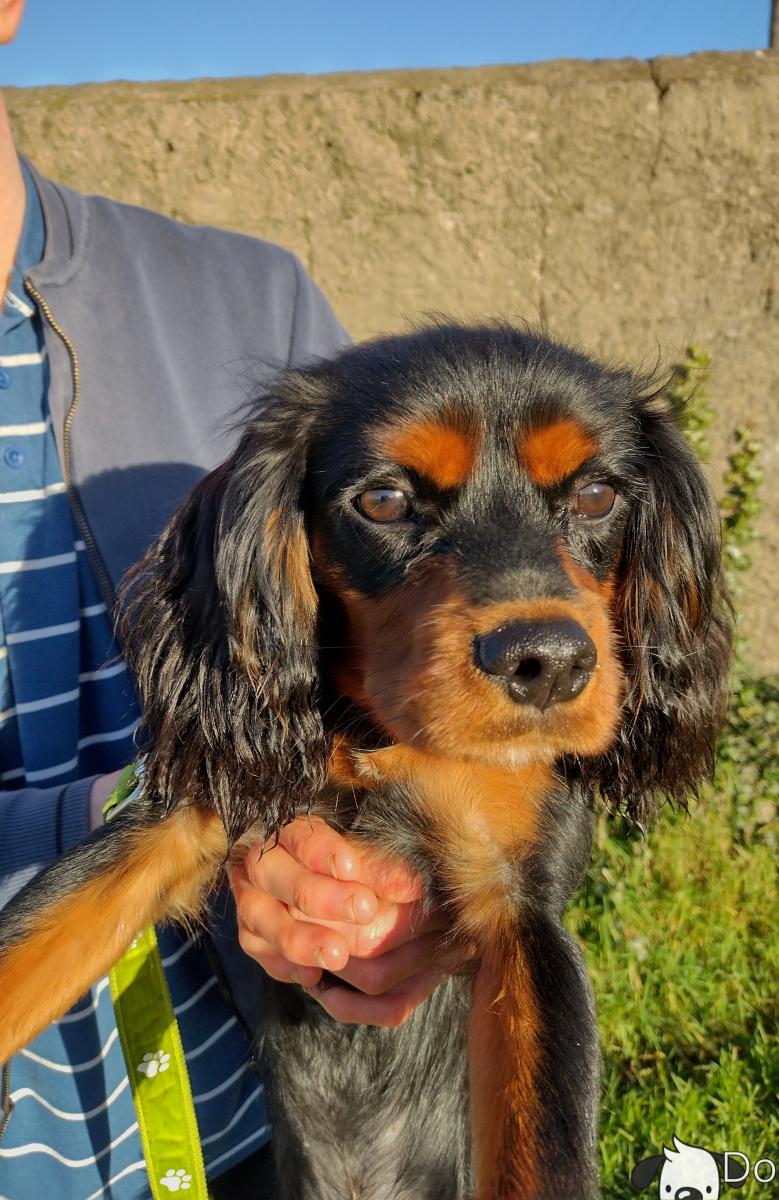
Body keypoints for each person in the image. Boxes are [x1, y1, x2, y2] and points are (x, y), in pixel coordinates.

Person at [0, 4, 463, 1197]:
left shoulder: (255, 313)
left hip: (271, 1140)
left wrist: (395, 900)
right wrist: (146, 820)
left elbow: (415, 704)